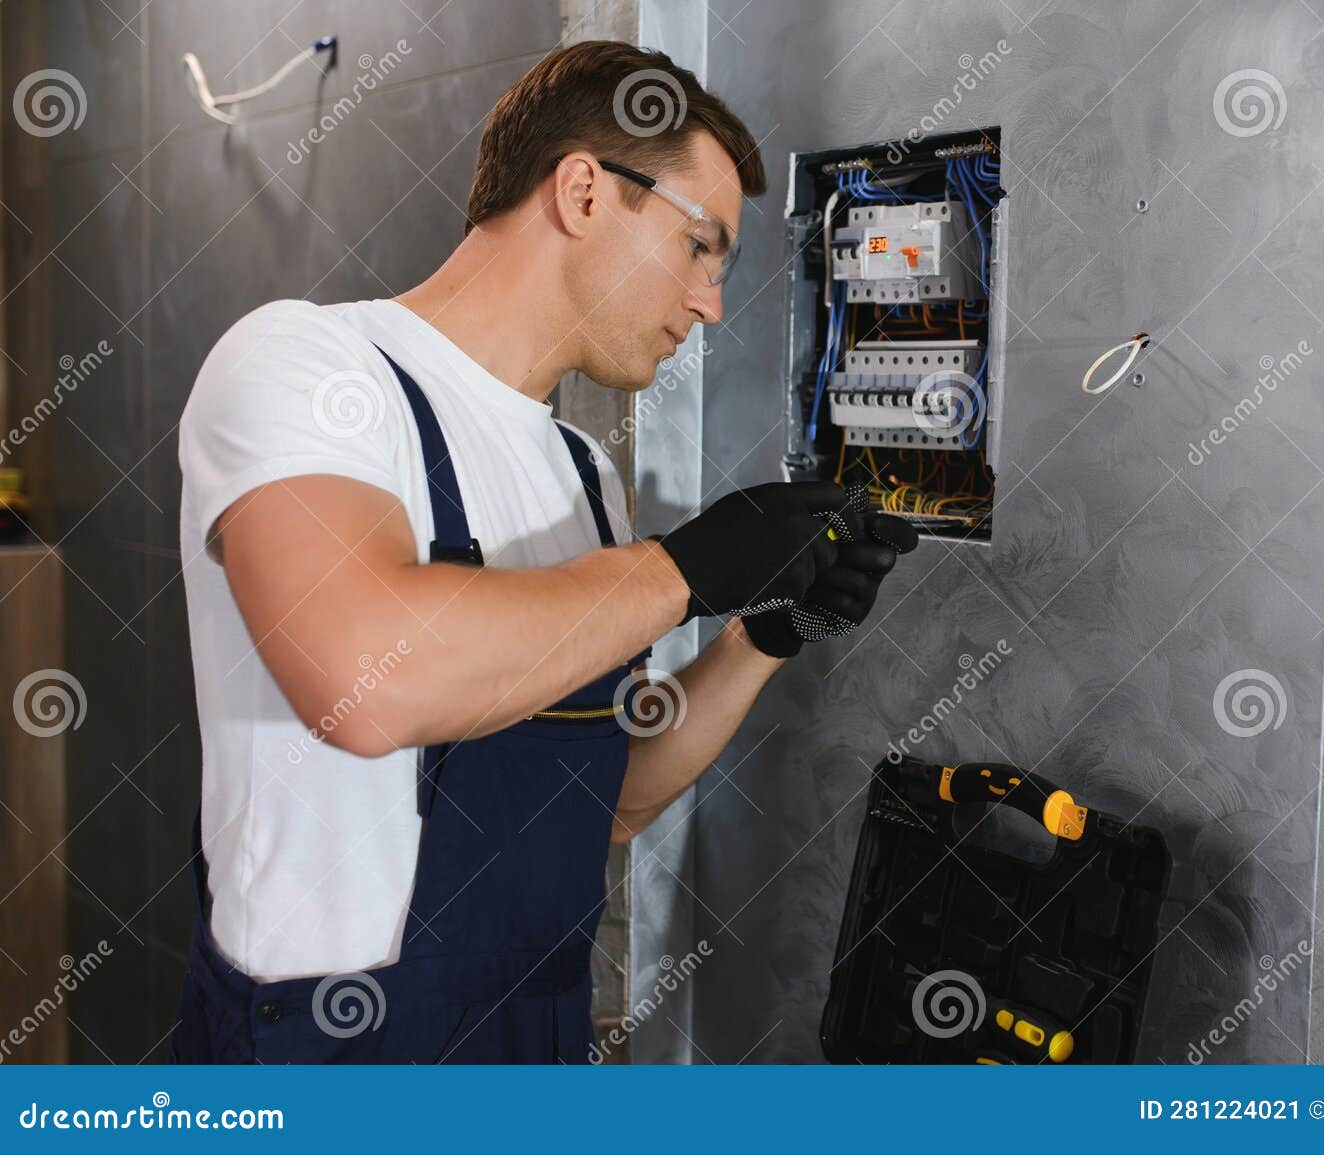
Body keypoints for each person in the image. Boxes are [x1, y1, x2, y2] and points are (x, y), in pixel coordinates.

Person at [167, 39, 914, 1064]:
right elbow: (362, 678)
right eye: (702, 247)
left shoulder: (581, 473)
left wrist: (764, 634)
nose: (711, 304)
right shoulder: (310, 366)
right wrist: (683, 570)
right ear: (583, 193)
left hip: (536, 1039)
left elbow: (609, 803)